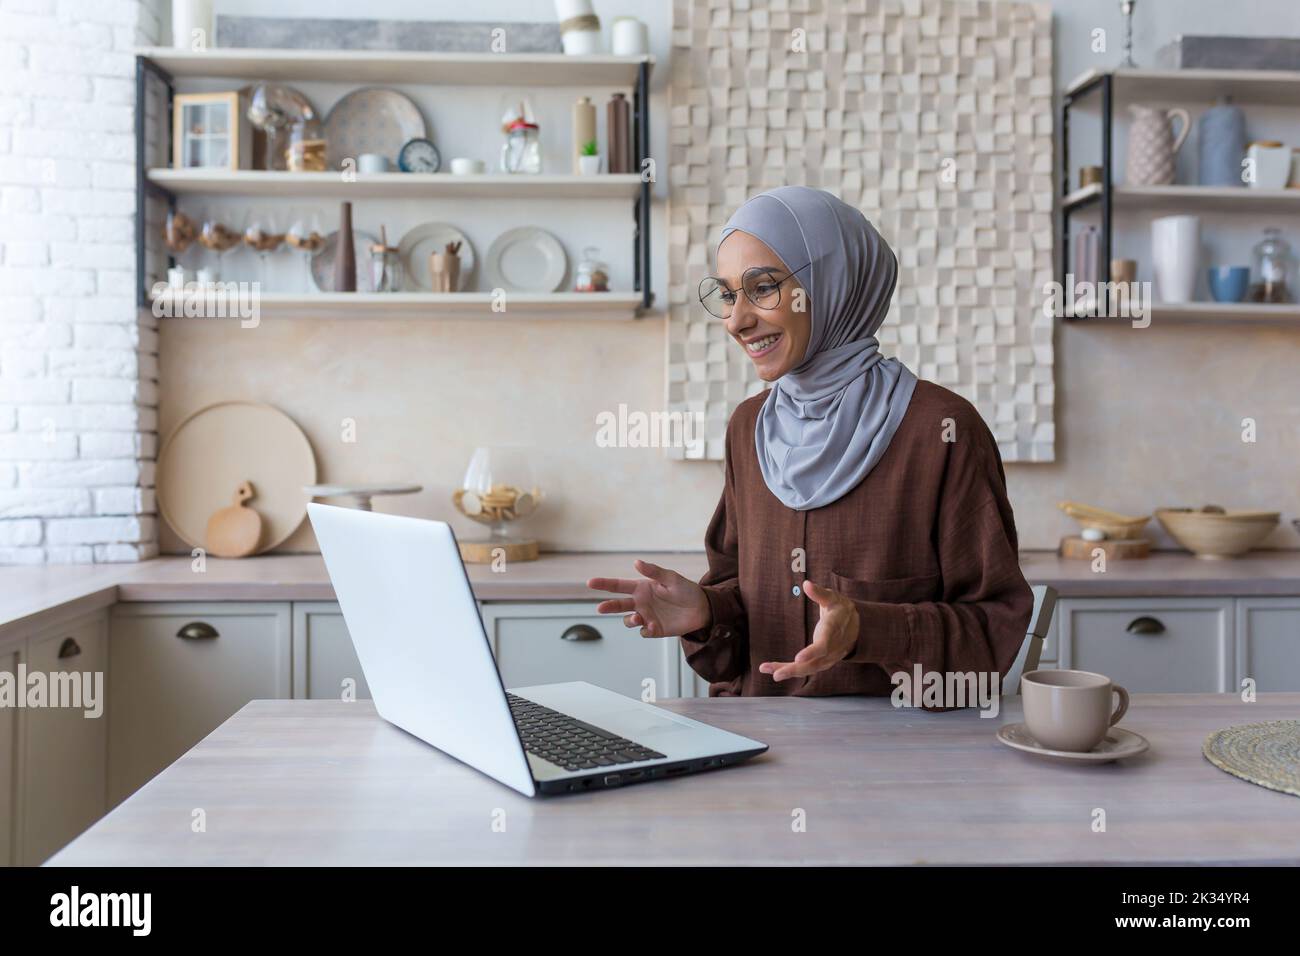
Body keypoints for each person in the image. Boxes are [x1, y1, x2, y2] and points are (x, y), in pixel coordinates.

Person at [588, 186, 1031, 702]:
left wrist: (868, 629)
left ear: (834, 282)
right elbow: (739, 625)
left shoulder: (942, 430)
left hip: (900, 762)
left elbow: (990, 634)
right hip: (757, 755)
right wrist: (709, 613)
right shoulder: (748, 427)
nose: (736, 320)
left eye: (763, 288)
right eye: (729, 294)